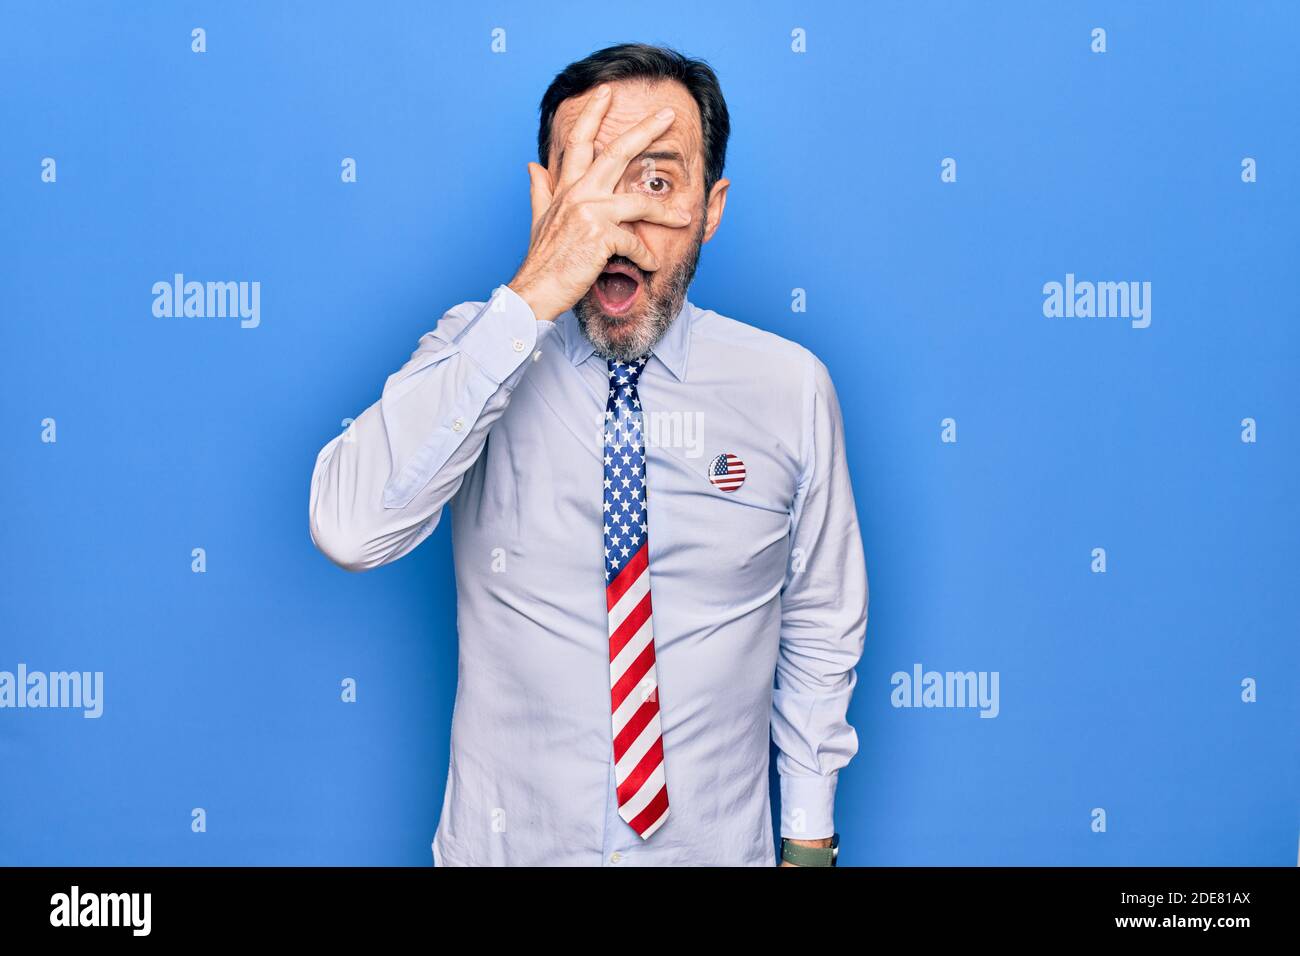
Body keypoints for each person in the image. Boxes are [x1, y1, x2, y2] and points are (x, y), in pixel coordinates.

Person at [308, 43, 868, 867]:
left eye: (653, 181)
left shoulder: (788, 388)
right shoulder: (475, 351)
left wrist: (811, 845)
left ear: (710, 208)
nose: (616, 223)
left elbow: (821, 622)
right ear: (547, 199)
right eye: (588, 182)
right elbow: (350, 529)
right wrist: (534, 291)